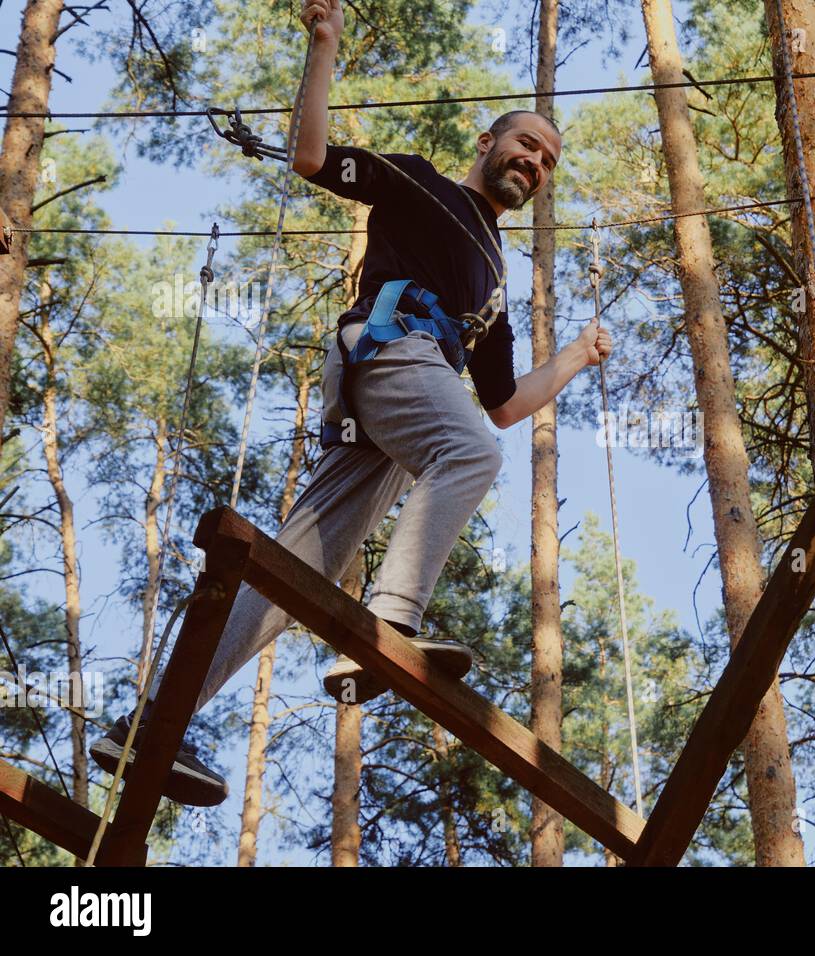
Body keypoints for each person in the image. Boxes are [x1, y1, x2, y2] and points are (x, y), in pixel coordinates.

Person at [90, 0, 611, 807]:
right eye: (526, 143)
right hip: (389, 355)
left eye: (548, 161)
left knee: (297, 572)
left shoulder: (497, 280)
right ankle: (390, 624)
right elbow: (310, 157)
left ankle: (151, 722)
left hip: (397, 405)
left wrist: (574, 357)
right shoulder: (418, 181)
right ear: (488, 141)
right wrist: (324, 47)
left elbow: (505, 402)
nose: (535, 163)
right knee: (467, 453)